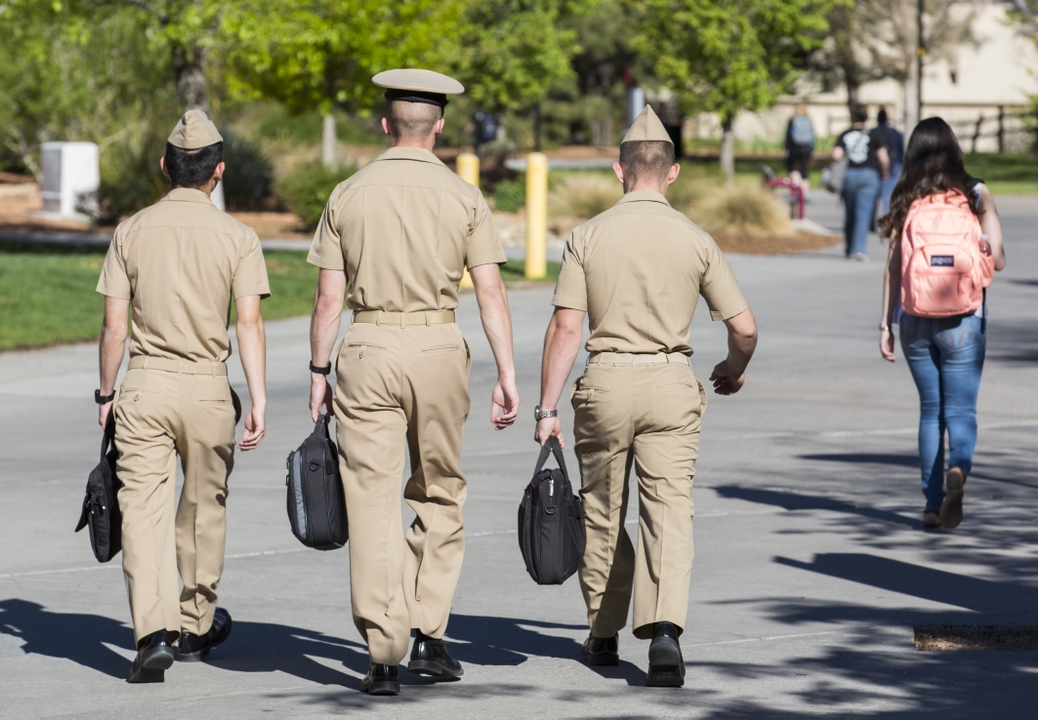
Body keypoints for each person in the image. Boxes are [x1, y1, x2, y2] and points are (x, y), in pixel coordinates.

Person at [306, 68, 520, 696]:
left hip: (367, 344)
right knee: (438, 490)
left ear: (384, 125)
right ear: (440, 127)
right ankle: (429, 634)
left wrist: (319, 372)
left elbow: (327, 297)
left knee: (369, 499)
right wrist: (507, 372)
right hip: (437, 344)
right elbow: (490, 290)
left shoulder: (348, 192)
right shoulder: (464, 195)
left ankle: (382, 651)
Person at [533, 106, 758, 689]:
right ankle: (663, 632)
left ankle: (603, 633)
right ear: (674, 172)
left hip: (604, 379)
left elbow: (565, 327)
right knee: (668, 509)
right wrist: (732, 370)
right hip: (669, 382)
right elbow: (745, 328)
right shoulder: (695, 239)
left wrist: (545, 408)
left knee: (603, 510)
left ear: (619, 170)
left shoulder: (588, 236)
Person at [95, 110, 269, 683]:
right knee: (202, 507)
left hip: (143, 384)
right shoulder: (239, 238)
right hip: (206, 387)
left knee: (140, 510)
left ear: (165, 165)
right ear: (218, 171)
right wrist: (260, 396)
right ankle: (194, 624)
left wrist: (105, 391)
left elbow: (114, 327)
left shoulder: (131, 231)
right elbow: (248, 324)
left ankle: (150, 634)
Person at [877, 117, 1006, 530]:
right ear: (954, 149)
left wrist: (885, 325)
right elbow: (998, 260)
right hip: (965, 318)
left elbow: (895, 267)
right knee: (961, 411)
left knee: (930, 412)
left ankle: (932, 506)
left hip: (915, 319)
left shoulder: (908, 197)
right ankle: (959, 471)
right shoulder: (975, 192)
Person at [831, 105, 890, 261]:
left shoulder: (845, 134)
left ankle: (849, 248)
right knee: (863, 213)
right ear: (866, 117)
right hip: (869, 175)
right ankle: (859, 250)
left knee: (850, 213)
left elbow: (836, 155)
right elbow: (883, 157)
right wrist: (885, 172)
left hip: (849, 175)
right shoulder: (874, 134)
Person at [876, 107, 905, 215]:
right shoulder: (896, 132)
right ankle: (887, 218)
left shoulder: (874, 132)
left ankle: (872, 222)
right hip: (896, 164)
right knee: (889, 194)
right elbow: (901, 151)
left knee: (874, 194)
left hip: (878, 166)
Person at [784, 103, 815, 191]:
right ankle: (805, 191)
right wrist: (812, 148)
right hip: (807, 148)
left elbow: (789, 135)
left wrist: (787, 148)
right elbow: (812, 135)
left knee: (790, 165)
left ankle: (795, 182)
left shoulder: (793, 120)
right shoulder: (808, 119)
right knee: (804, 168)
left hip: (795, 147)